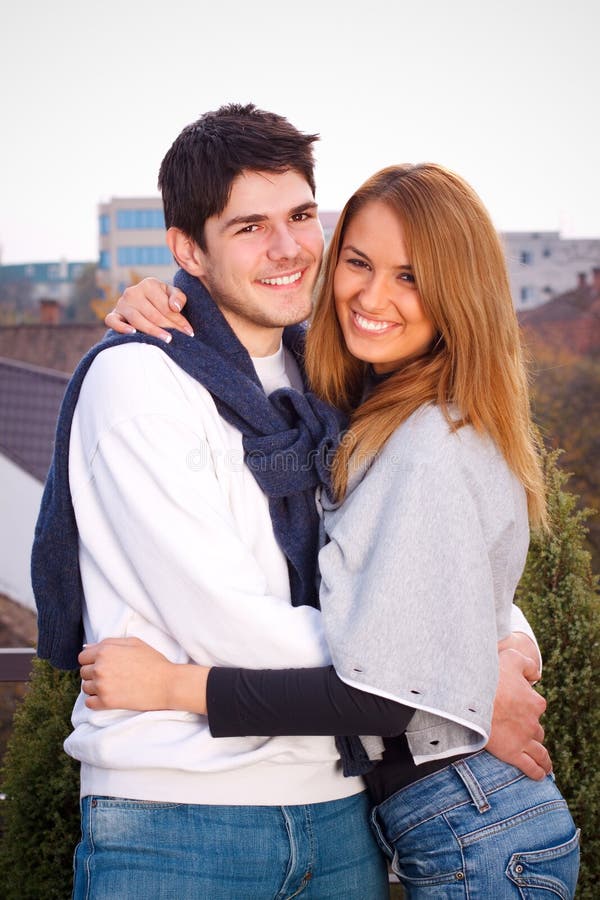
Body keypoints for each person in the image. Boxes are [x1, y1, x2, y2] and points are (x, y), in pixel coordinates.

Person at [32, 105, 546, 899]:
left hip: (340, 812)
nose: (288, 248)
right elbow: (224, 623)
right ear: (186, 250)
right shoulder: (141, 383)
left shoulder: (328, 377)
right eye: (248, 227)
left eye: (302, 215)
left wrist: (490, 646)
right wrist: (456, 682)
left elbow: (438, 553)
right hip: (183, 816)